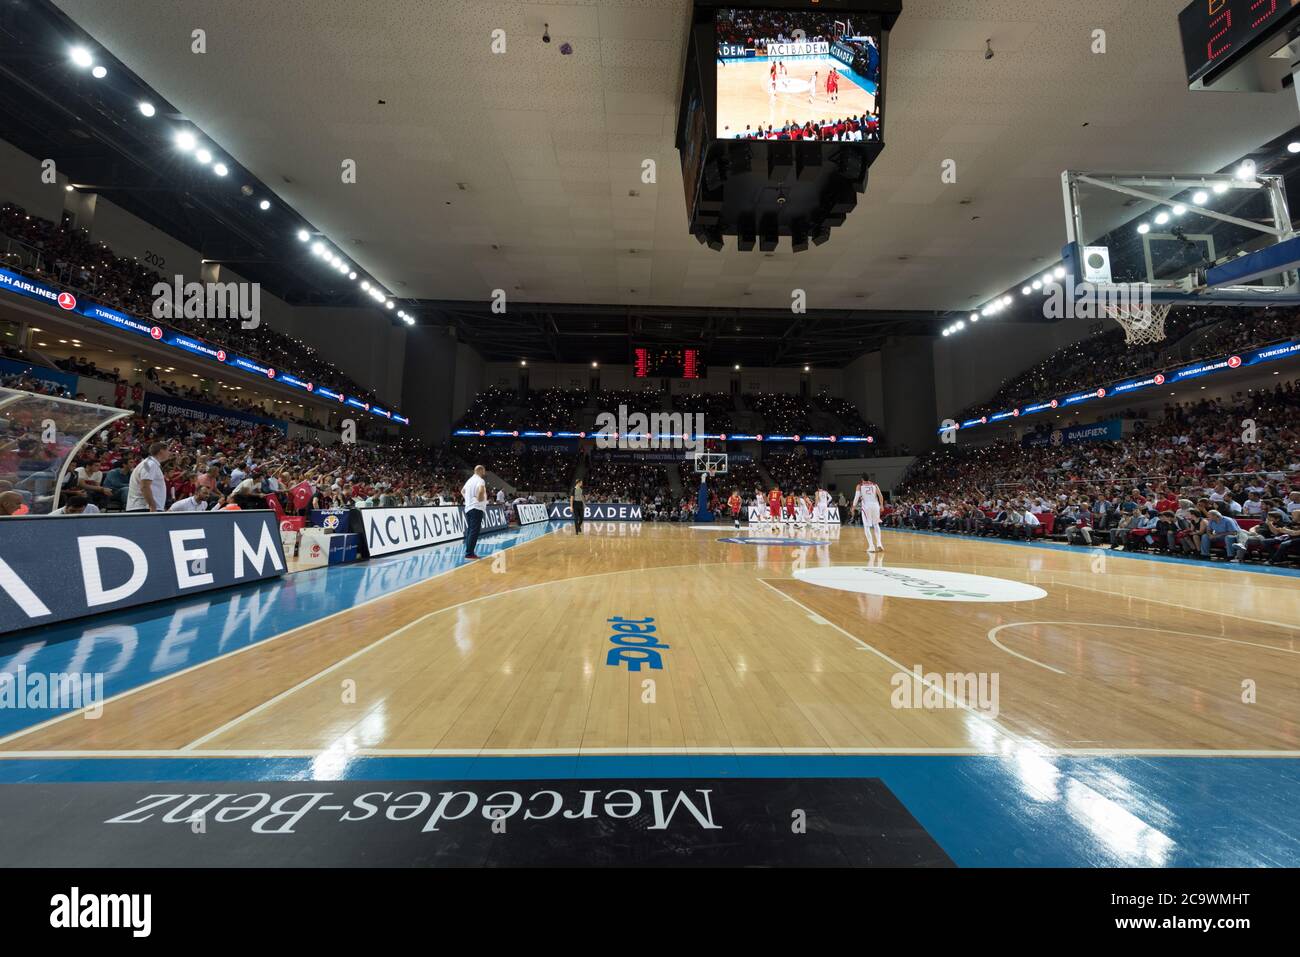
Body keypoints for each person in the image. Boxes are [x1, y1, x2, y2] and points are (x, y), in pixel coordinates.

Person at [126, 442, 170, 512]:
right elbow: (144, 486)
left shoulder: (150, 463)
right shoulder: (150, 464)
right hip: (144, 507)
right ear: (161, 451)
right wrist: (152, 505)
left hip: (146, 507)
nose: (169, 453)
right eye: (168, 450)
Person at [851, 473, 884, 553]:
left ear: (862, 479)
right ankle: (879, 544)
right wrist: (882, 505)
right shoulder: (875, 485)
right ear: (869, 478)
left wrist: (853, 507)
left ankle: (871, 546)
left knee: (866, 526)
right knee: (876, 524)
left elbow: (856, 497)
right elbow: (880, 496)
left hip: (866, 507)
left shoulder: (859, 486)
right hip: (876, 506)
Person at [462, 464, 488, 559]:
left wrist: (468, 500)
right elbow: (481, 491)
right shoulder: (480, 480)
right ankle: (469, 553)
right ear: (480, 470)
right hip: (476, 508)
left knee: (470, 530)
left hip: (468, 507)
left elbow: (462, 491)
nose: (485, 472)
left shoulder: (469, 481)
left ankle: (468, 551)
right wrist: (479, 499)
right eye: (484, 470)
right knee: (474, 531)